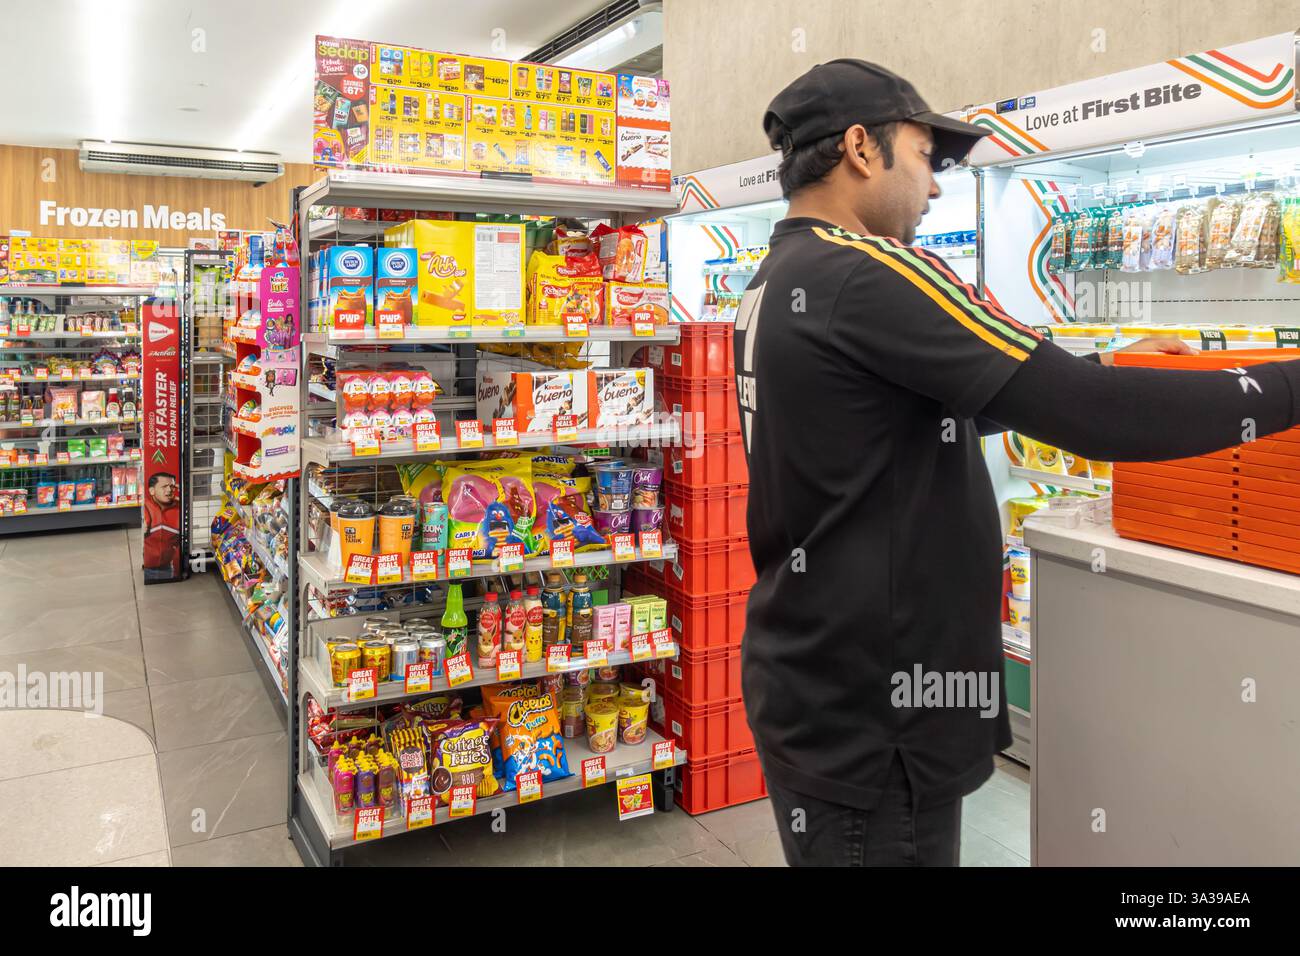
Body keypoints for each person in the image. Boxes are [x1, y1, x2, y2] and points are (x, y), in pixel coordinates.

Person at [734, 59, 1300, 867]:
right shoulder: (868, 273)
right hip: (876, 719)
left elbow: (918, 411)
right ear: (862, 148)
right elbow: (1096, 424)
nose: (934, 188)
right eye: (927, 156)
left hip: (822, 689)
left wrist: (1100, 372)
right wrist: (1285, 386)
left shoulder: (782, 275)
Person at [142, 471, 180, 582]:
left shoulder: (180, 507)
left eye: (172, 486)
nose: (169, 490)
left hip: (169, 569)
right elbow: (144, 522)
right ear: (152, 491)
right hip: (148, 569)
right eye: (164, 487)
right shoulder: (145, 506)